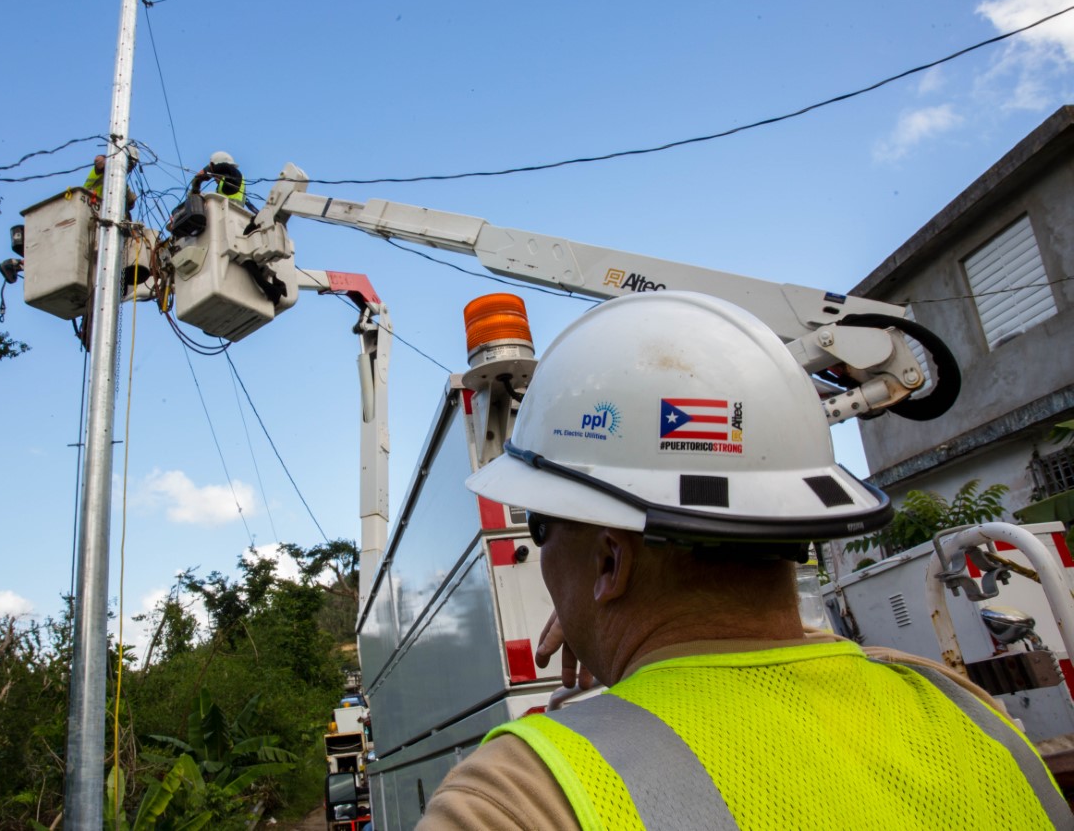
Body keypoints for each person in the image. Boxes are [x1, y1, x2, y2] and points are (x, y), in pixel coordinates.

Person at [417, 291, 1071, 830]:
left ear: (610, 560)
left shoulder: (514, 799)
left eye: (540, 523)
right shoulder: (964, 713)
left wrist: (620, 674)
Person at [82, 148, 138, 215]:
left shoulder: (121, 183)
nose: (130, 168)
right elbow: (98, 159)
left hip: (99, 210)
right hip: (86, 203)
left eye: (133, 166)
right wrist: (110, 163)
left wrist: (131, 200)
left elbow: (130, 203)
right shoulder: (107, 167)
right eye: (130, 164)